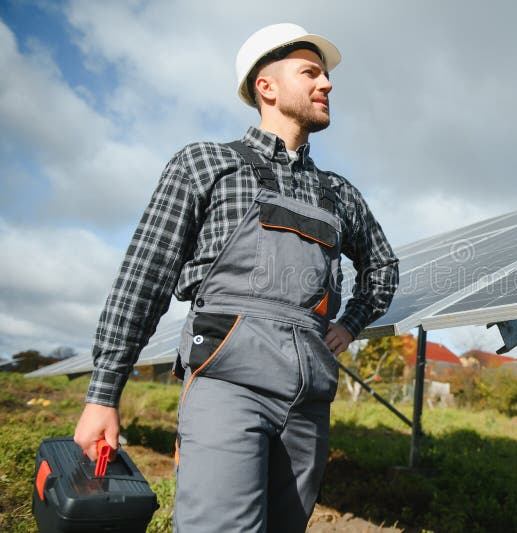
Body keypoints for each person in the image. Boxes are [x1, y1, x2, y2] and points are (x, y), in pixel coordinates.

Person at [73, 23, 399, 532]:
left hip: (308, 402)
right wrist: (103, 394)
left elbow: (383, 268)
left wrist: (351, 323)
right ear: (265, 86)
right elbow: (144, 277)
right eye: (310, 72)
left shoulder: (339, 193)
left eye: (327, 75)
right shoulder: (207, 164)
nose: (328, 84)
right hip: (227, 385)